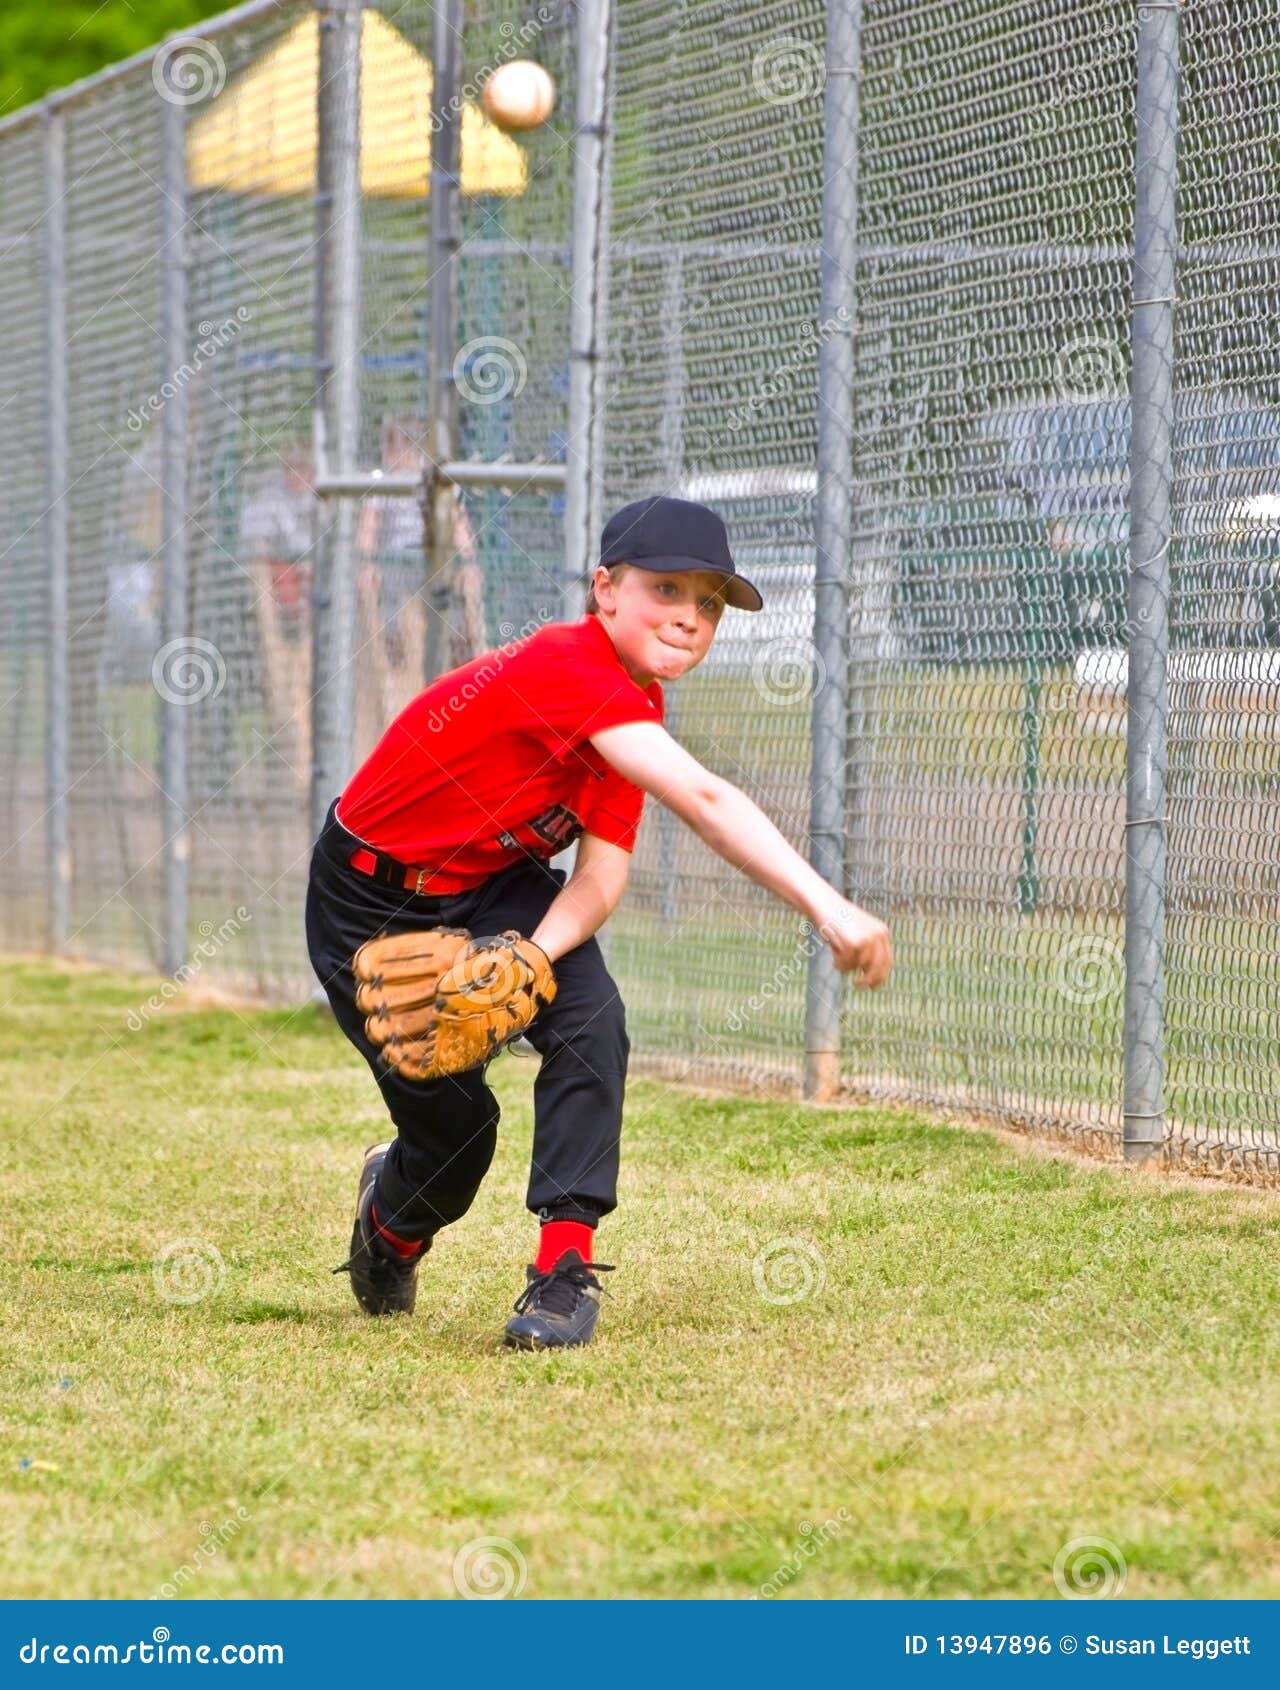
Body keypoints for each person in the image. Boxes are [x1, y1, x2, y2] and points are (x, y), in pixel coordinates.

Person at [305, 495, 893, 1350]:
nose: (689, 617)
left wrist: (530, 955)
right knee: (456, 1140)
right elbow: (704, 800)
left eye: (709, 604)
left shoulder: (634, 709)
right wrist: (827, 907)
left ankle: (563, 1272)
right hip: (371, 899)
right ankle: (388, 1229)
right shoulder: (565, 663)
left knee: (590, 1020)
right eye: (666, 589)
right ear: (605, 590)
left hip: (494, 883)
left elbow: (600, 876)